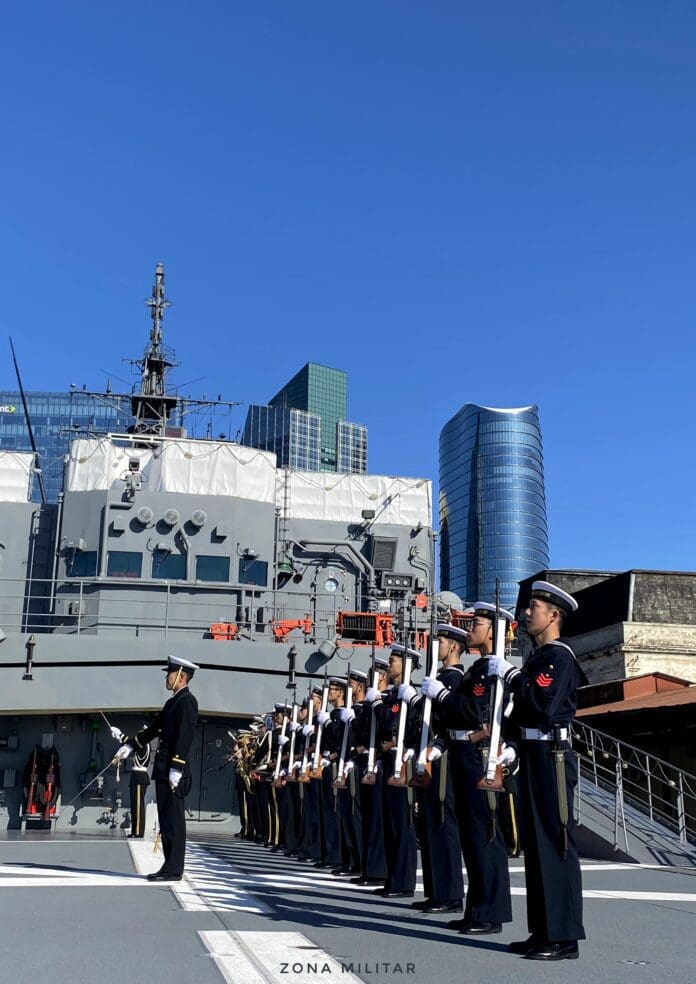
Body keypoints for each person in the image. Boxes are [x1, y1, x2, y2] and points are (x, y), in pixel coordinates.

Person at [490, 581, 587, 961]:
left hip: (553, 756)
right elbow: (523, 713)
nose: (527, 613)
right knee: (536, 845)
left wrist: (513, 678)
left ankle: (564, 937)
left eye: (534, 607)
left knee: (557, 843)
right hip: (532, 754)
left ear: (553, 615)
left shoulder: (559, 658)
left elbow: (542, 704)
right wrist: (512, 745)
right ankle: (543, 930)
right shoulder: (537, 659)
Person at [423, 607, 514, 935]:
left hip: (480, 757)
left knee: (486, 835)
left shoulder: (493, 671)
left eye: (476, 624)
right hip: (462, 753)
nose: (470, 627)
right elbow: (461, 715)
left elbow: (477, 711)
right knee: (472, 838)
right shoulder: (478, 670)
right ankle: (477, 909)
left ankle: (491, 913)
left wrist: (444, 696)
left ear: (493, 632)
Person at [115, 655, 199, 882]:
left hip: (174, 771)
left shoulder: (187, 702)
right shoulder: (172, 703)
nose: (167, 677)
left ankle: (174, 869)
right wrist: (130, 746)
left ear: (181, 677)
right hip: (164, 770)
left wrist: (177, 767)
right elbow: (153, 729)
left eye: (170, 674)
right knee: (166, 820)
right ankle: (169, 864)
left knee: (174, 821)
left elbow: (185, 736)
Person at [127, 740, 151, 839]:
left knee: (138, 807)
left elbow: (133, 743)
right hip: (136, 777)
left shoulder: (144, 744)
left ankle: (138, 832)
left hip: (139, 777)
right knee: (134, 806)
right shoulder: (142, 745)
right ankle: (134, 831)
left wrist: (121, 736)